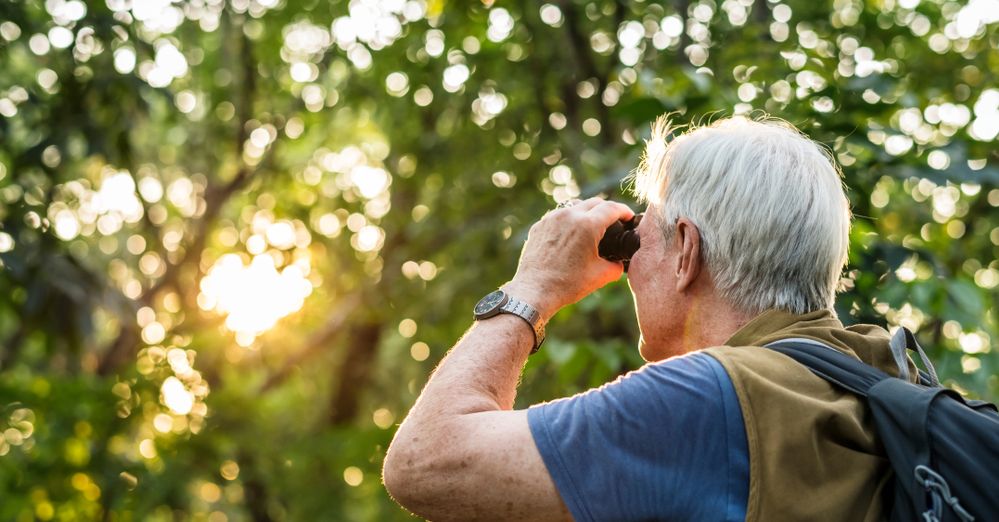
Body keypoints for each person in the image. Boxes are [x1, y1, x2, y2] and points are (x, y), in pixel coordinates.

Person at [383, 115, 912, 521]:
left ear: (686, 250)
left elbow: (423, 462)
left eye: (639, 236)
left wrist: (533, 286)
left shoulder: (707, 399)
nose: (629, 266)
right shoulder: (881, 375)